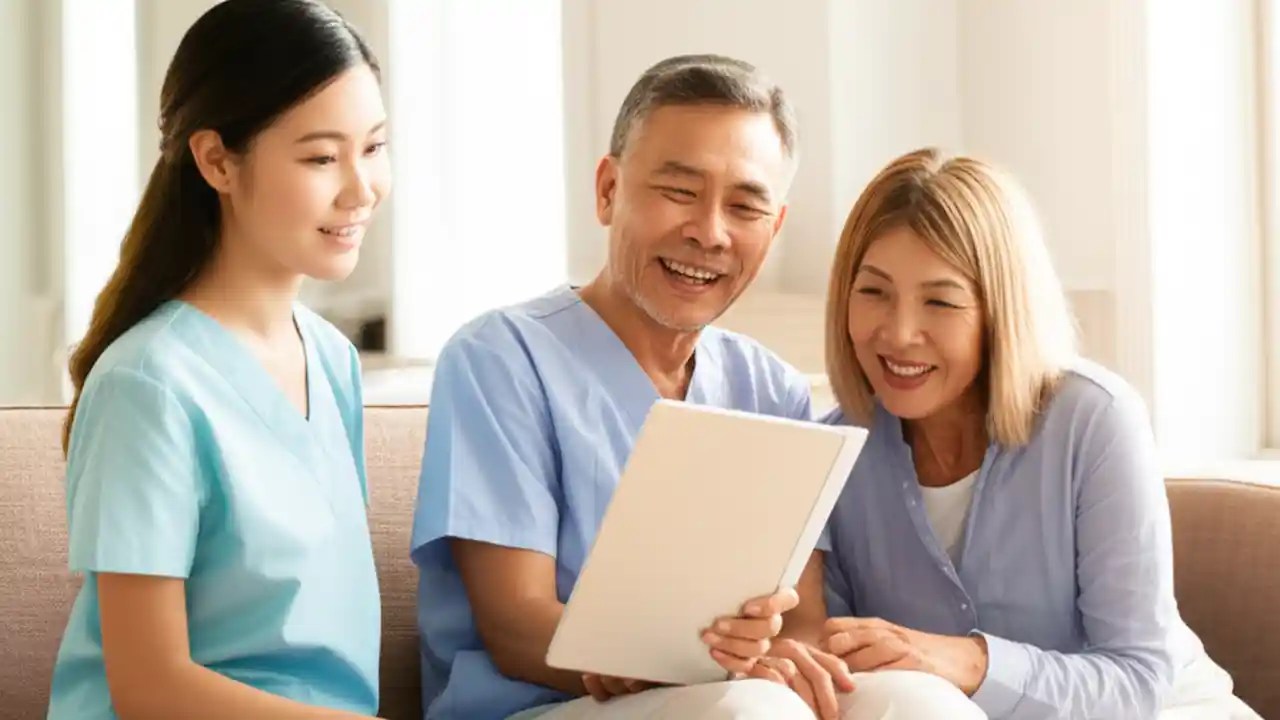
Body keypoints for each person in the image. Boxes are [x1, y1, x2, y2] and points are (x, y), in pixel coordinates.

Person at [410, 55, 978, 720]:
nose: (709, 232)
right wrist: (683, 660)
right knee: (751, 714)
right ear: (607, 190)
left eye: (745, 205)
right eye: (679, 192)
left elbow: (798, 617)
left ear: (774, 229)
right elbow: (517, 628)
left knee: (919, 702)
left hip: (723, 694)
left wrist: (777, 652)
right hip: (543, 705)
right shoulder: (500, 359)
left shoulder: (770, 388)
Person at [818, 148, 1260, 719]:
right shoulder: (833, 452)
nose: (900, 334)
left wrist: (970, 661)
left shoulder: (1094, 421)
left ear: (999, 310)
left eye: (941, 301)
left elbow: (1138, 679)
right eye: (873, 292)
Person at [45, 2, 391, 718]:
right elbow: (149, 688)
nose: (361, 189)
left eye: (375, 148)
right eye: (322, 157)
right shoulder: (149, 384)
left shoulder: (330, 360)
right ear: (215, 161)